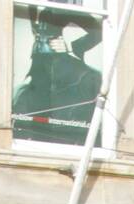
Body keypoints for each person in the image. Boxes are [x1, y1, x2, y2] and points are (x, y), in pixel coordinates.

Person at [12, 7, 102, 146]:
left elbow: (98, 31)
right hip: (39, 57)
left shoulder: (64, 7)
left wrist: (72, 46)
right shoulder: (31, 6)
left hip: (58, 57)